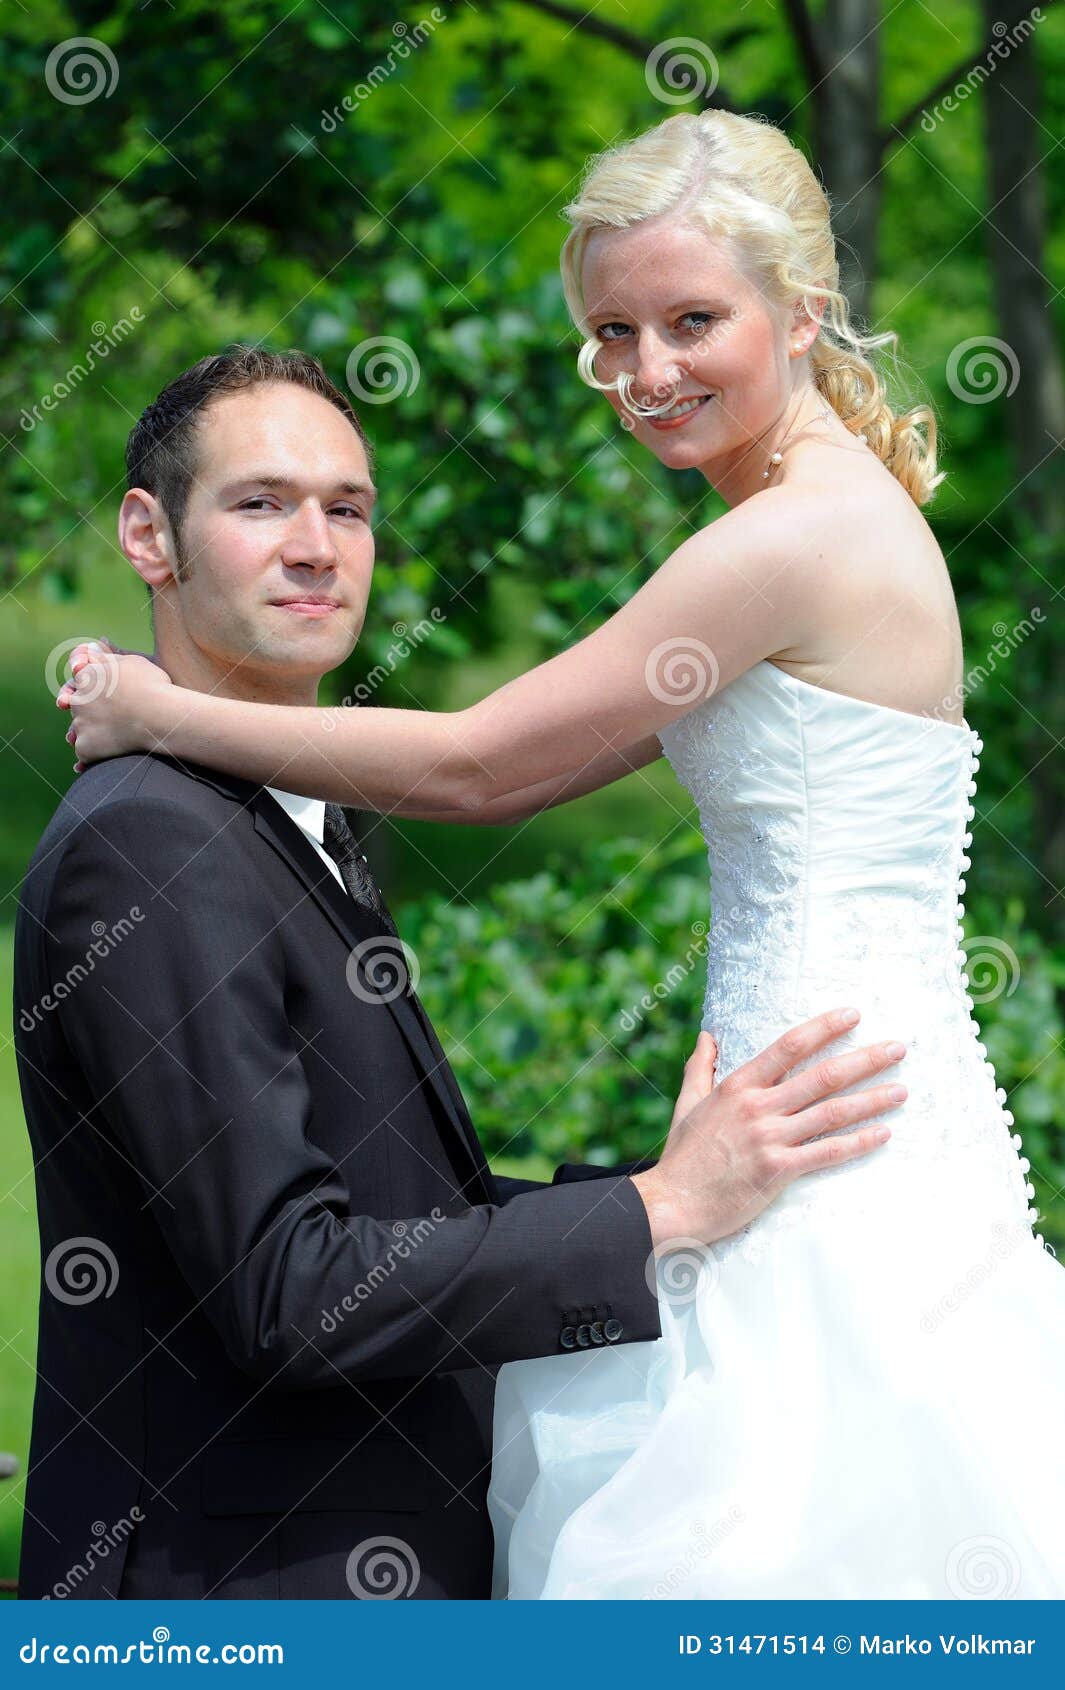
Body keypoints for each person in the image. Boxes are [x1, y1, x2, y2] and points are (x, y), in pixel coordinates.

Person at [63, 108, 1065, 1600]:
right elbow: (533, 765)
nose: (648, 371)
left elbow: (485, 765)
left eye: (691, 321)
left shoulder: (790, 539)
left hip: (826, 1128)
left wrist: (165, 711)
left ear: (798, 311)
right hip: (811, 1099)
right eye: (614, 333)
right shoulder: (797, 522)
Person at [17, 345, 901, 1602]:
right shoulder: (153, 845)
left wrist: (679, 1189)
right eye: (262, 503)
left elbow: (392, 1199)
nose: (318, 546)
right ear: (148, 536)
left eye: (350, 508)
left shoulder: (275, 814)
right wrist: (657, 1213)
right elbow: (292, 1287)